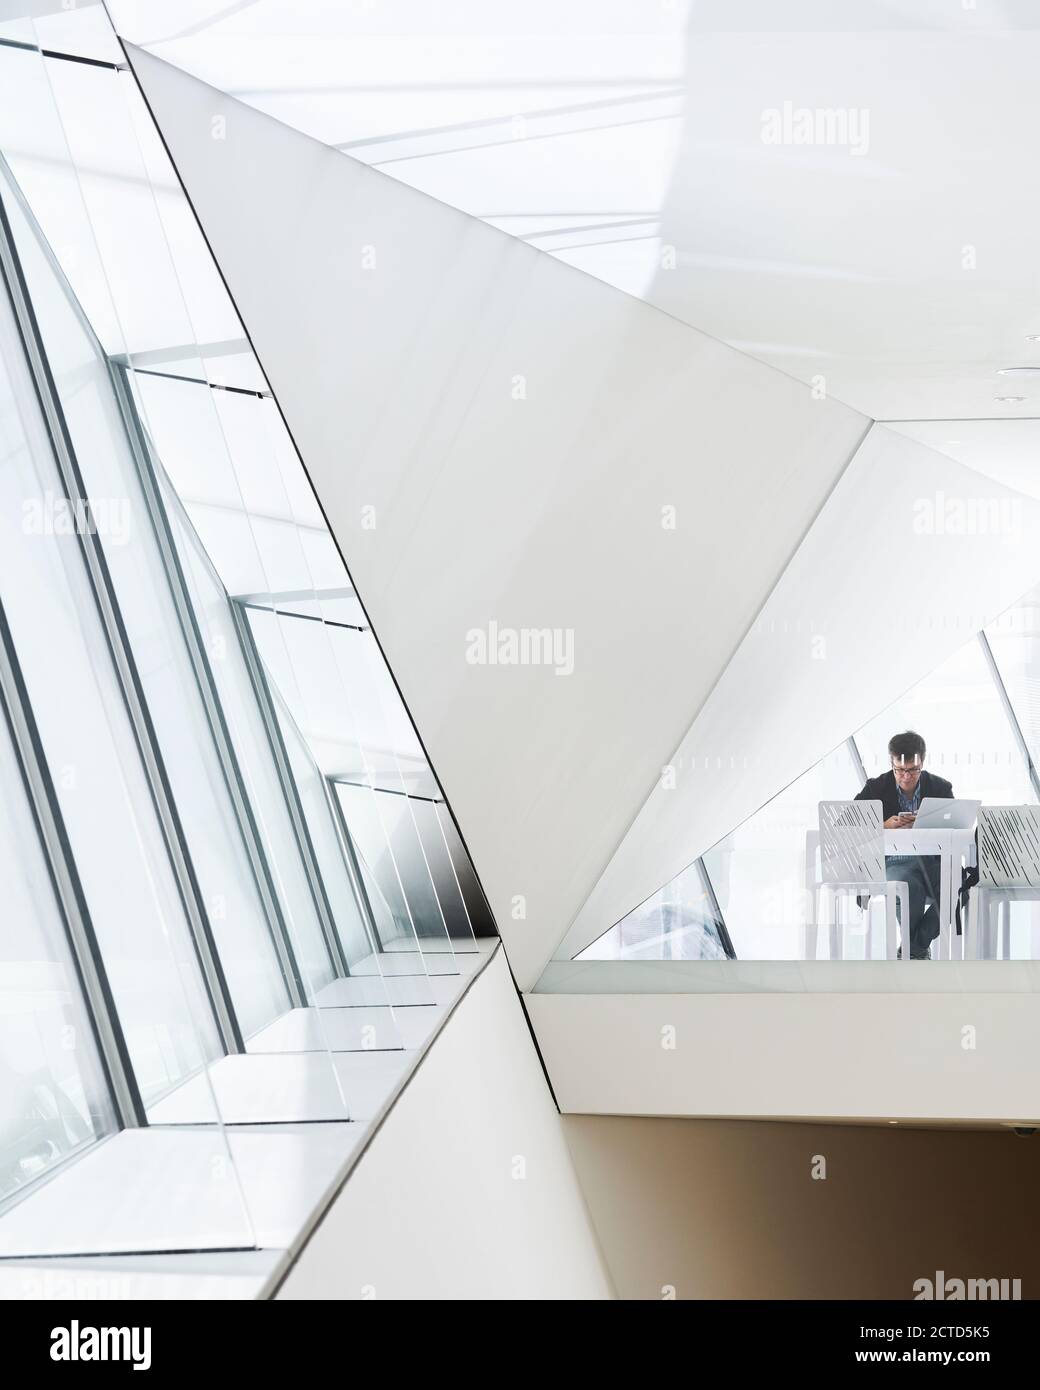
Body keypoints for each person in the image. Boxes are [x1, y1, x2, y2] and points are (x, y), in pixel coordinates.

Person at [855, 730, 953, 959]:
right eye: (900, 770)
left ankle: (915, 945)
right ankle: (915, 950)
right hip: (895, 861)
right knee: (908, 885)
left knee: (958, 886)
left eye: (912, 770)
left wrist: (926, 823)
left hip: (932, 862)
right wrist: (883, 825)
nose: (906, 777)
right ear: (892, 763)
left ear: (922, 763)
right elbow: (848, 826)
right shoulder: (876, 787)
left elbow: (955, 825)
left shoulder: (940, 788)